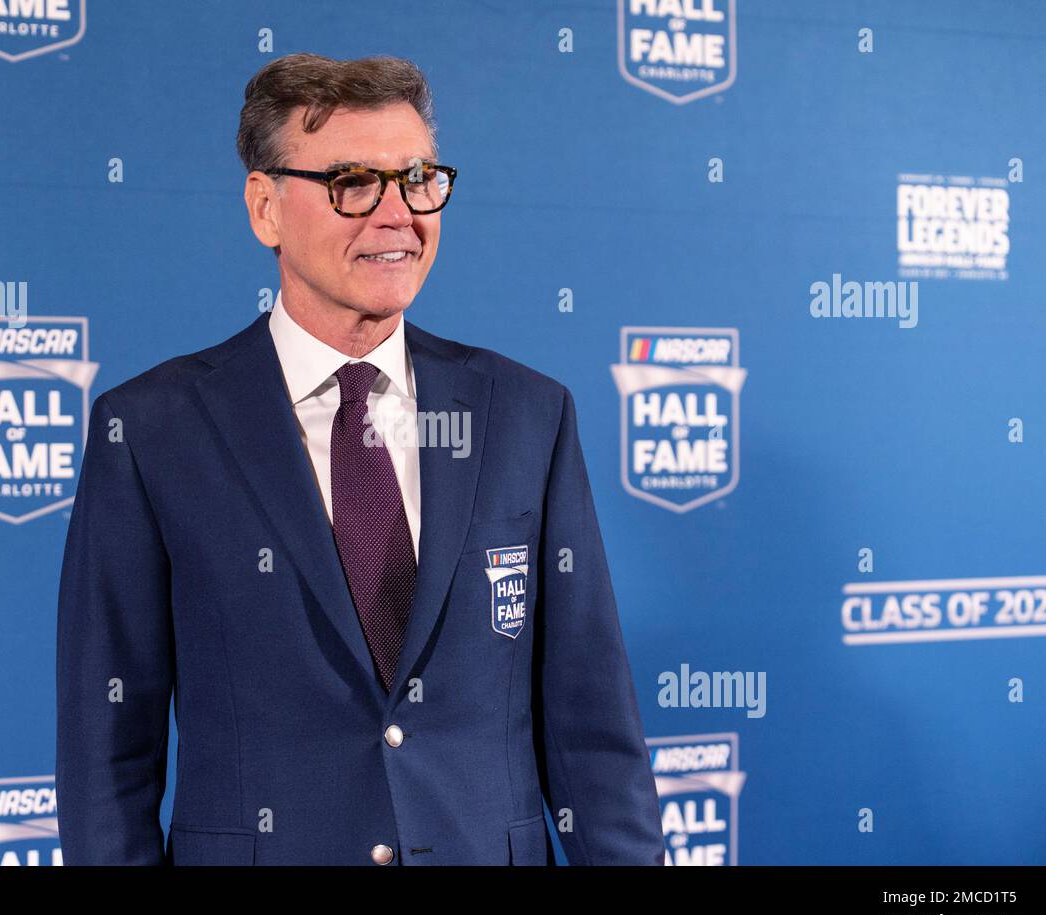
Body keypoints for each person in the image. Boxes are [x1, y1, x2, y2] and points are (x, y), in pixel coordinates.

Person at [55, 52, 664, 865]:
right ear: (265, 208)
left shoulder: (527, 414)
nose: (398, 215)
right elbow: (107, 756)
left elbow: (594, 729)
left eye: (417, 180)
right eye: (352, 183)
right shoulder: (151, 430)